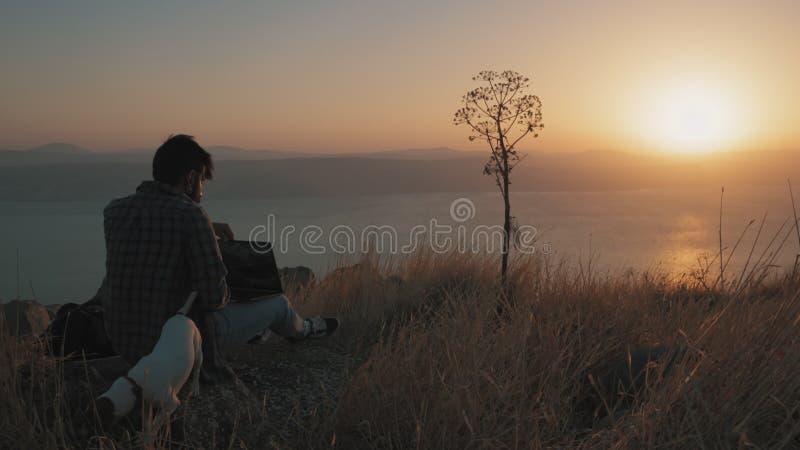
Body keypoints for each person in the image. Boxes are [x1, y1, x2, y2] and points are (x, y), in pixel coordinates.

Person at [100, 134, 336, 381]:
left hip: (123, 340)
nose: (202, 190)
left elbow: (154, 231)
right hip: (176, 347)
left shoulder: (115, 211)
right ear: (190, 178)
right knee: (278, 303)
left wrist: (208, 228)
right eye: (202, 181)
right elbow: (215, 299)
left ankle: (259, 331)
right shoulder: (192, 217)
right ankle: (306, 330)